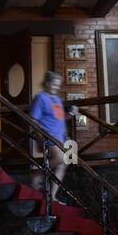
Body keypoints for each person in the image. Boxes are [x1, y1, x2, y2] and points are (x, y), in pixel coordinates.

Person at [28, 71, 75, 202]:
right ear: (47, 84)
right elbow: (33, 119)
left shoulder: (58, 100)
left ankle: (52, 196)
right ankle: (38, 174)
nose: (57, 87)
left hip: (61, 137)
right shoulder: (40, 98)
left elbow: (60, 119)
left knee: (64, 163)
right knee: (60, 158)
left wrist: (70, 115)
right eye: (54, 84)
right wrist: (41, 135)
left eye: (58, 85)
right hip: (48, 136)